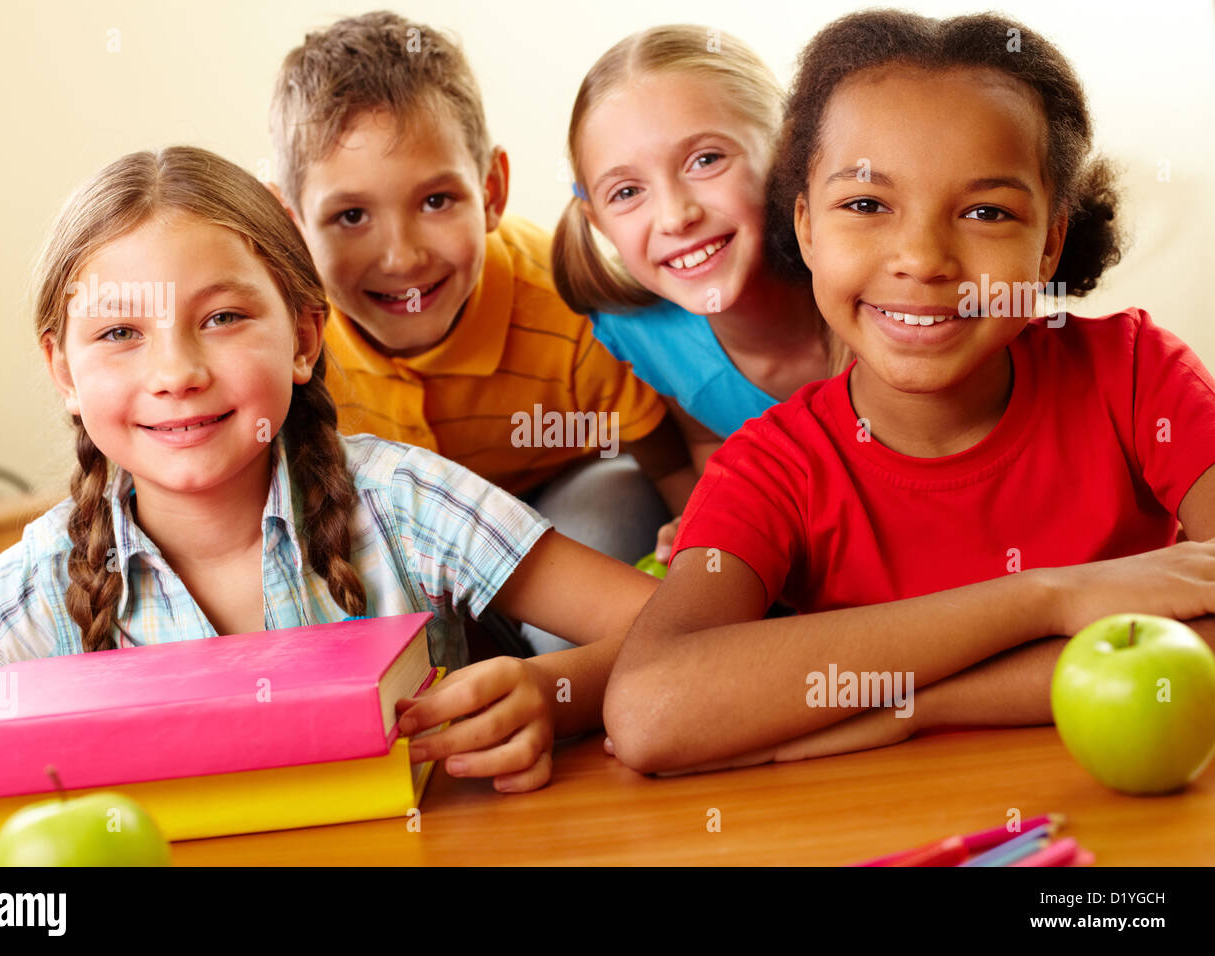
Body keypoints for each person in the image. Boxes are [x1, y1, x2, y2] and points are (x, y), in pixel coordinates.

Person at [0, 146, 660, 794]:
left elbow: (676, 629)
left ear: (304, 338)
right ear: (64, 371)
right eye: (119, 333)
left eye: (222, 319)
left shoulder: (404, 502)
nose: (176, 372)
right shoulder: (51, 573)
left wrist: (551, 694)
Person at [604, 10, 1215, 775]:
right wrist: (1051, 597)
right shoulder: (771, 466)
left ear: (1050, 241)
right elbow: (653, 708)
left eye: (987, 212)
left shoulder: (1135, 375)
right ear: (806, 225)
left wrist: (911, 704)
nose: (924, 259)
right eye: (865, 205)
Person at [267, 12, 697, 651]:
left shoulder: (567, 304)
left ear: (492, 189)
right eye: (351, 215)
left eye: (436, 201)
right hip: (407, 538)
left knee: (595, 548)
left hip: (558, 506)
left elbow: (669, 465)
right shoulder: (290, 340)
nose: (402, 257)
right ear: (293, 223)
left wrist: (696, 545)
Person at [552, 24, 852, 561]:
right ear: (597, 221)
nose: (674, 215)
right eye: (627, 192)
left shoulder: (874, 286)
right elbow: (710, 439)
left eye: (706, 160)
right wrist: (708, 525)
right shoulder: (642, 332)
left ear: (789, 151)